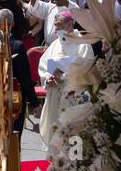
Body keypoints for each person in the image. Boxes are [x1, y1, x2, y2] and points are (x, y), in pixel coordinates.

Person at [0, 8, 38, 164]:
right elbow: (25, 78)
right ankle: (10, 167)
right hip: (14, 100)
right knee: (13, 132)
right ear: (13, 24)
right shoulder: (17, 45)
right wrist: (35, 102)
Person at [37, 9, 93, 149]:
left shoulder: (82, 43)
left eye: (59, 24)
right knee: (56, 133)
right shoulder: (56, 44)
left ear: (69, 24)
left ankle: (75, 164)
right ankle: (57, 164)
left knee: (74, 134)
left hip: (73, 96)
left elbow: (86, 66)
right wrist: (48, 78)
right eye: (55, 24)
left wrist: (64, 77)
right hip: (55, 94)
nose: (55, 27)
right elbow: (44, 65)